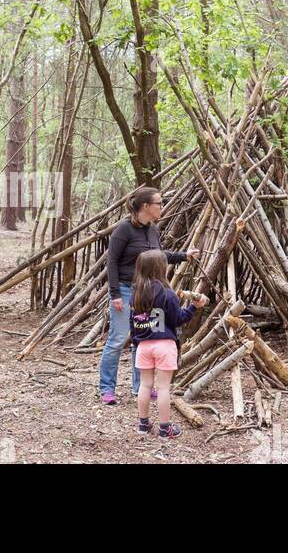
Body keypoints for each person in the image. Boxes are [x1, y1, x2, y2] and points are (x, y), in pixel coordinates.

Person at [98, 187, 199, 404]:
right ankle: (107, 389)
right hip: (124, 290)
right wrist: (114, 293)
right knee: (117, 340)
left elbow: (158, 257)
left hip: (146, 292)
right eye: (159, 203)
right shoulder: (123, 230)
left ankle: (139, 387)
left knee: (142, 340)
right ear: (146, 206)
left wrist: (183, 256)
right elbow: (112, 262)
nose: (161, 207)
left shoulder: (152, 230)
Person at [129, 250, 206, 438]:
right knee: (163, 388)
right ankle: (165, 428)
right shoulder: (167, 294)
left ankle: (143, 424)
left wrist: (136, 342)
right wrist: (193, 308)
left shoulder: (135, 295)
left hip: (143, 346)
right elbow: (178, 319)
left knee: (145, 386)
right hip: (164, 345)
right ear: (161, 269)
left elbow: (133, 323)